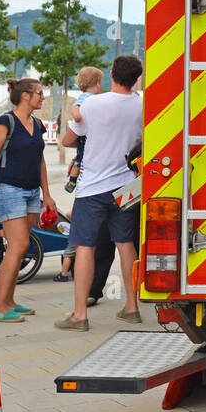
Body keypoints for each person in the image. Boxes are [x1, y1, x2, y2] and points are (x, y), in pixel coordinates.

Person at [56, 55, 143, 331]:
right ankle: (132, 307)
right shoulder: (142, 104)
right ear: (136, 78)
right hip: (127, 186)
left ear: (112, 75)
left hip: (93, 187)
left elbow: (69, 139)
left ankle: (80, 315)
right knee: (126, 244)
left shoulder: (91, 103)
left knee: (85, 246)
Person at [0, 78, 54, 323]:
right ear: (25, 96)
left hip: (32, 191)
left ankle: (10, 301)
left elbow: (40, 160)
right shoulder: (5, 122)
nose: (42, 97)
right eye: (39, 93)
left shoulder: (36, 123)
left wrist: (47, 194)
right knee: (18, 245)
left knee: (21, 246)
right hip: (8, 189)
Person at [63, 66, 103, 194]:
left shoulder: (93, 98)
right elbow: (75, 106)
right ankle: (72, 181)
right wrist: (77, 116)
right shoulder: (86, 97)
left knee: (80, 159)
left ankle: (72, 180)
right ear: (97, 83)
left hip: (86, 135)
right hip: (83, 137)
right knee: (79, 160)